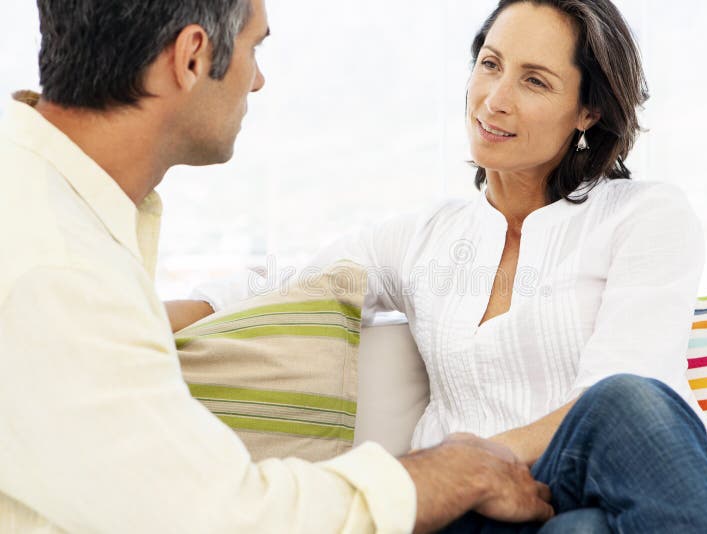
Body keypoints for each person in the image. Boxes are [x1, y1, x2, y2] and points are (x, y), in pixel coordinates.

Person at [184, 0, 707, 532]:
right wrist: (123, 319)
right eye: (490, 64)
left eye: (535, 81)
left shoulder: (644, 217)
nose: (494, 99)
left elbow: (629, 389)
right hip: (475, 518)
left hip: (628, 492)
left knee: (613, 433)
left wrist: (464, 462)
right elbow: (267, 287)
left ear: (587, 112)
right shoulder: (422, 238)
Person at [0, 1, 558, 532]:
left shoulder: (45, 209)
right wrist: (451, 472)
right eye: (254, 48)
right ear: (192, 57)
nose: (258, 80)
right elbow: (223, 517)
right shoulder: (58, 271)